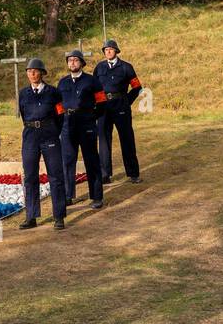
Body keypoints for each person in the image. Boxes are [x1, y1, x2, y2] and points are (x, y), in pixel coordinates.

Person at [17, 57, 66, 230]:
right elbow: (23, 114)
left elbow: (61, 116)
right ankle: (31, 216)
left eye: (35, 71)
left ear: (42, 73)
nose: (32, 73)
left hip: (49, 135)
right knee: (30, 176)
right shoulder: (23, 93)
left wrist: (52, 132)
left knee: (56, 175)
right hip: (30, 136)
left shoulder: (53, 92)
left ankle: (59, 216)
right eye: (29, 71)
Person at [58, 49, 106, 210]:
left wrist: (91, 117)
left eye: (75, 60)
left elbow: (102, 102)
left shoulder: (92, 81)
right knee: (67, 161)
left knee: (91, 160)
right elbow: (58, 107)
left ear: (82, 63)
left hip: (86, 124)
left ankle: (97, 196)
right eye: (70, 60)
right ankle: (67, 195)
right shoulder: (62, 82)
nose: (72, 63)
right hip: (67, 125)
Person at [94, 39, 143, 184]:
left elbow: (136, 86)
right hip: (103, 107)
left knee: (127, 138)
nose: (108, 51)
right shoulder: (99, 67)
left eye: (110, 49)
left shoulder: (126, 67)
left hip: (121, 106)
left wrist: (127, 101)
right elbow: (94, 88)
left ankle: (133, 173)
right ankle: (105, 173)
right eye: (105, 50)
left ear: (116, 51)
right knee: (103, 140)